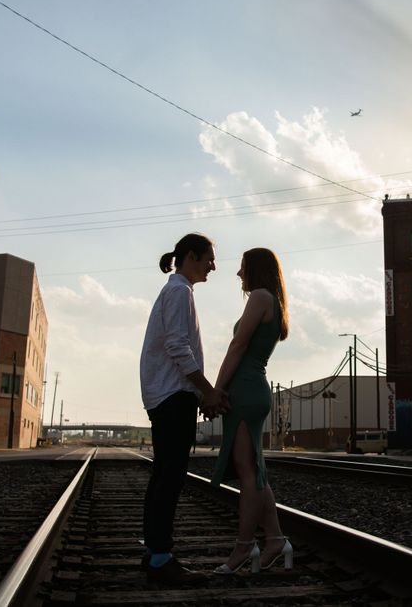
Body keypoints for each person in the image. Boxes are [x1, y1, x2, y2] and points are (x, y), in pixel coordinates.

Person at [140, 233, 229, 584]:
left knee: (164, 476)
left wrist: (198, 394)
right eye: (209, 257)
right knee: (170, 477)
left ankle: (154, 554)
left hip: (171, 395)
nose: (213, 265)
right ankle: (160, 559)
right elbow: (178, 347)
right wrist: (206, 391)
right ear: (191, 256)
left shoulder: (176, 290)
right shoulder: (179, 291)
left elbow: (176, 348)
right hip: (171, 396)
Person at [211, 248, 294, 575]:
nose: (238, 273)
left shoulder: (260, 296)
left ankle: (244, 548)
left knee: (247, 472)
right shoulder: (271, 299)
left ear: (255, 269)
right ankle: (274, 539)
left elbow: (238, 345)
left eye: (242, 267)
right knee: (255, 471)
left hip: (245, 390)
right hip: (251, 388)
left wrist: (216, 390)